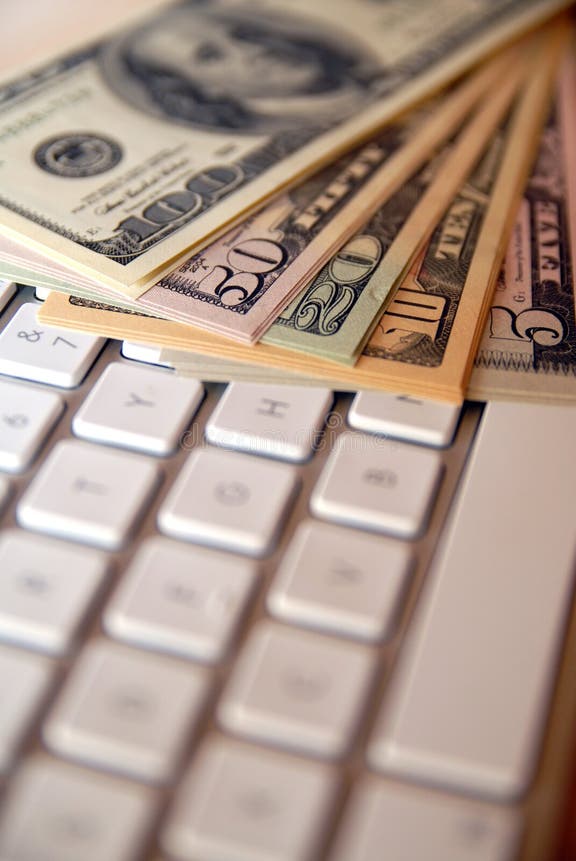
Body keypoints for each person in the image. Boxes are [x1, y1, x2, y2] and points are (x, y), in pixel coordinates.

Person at [100, 2, 387, 134]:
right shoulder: (274, 129)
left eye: (242, 35)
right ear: (203, 89)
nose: (252, 49)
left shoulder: (365, 74)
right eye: (211, 56)